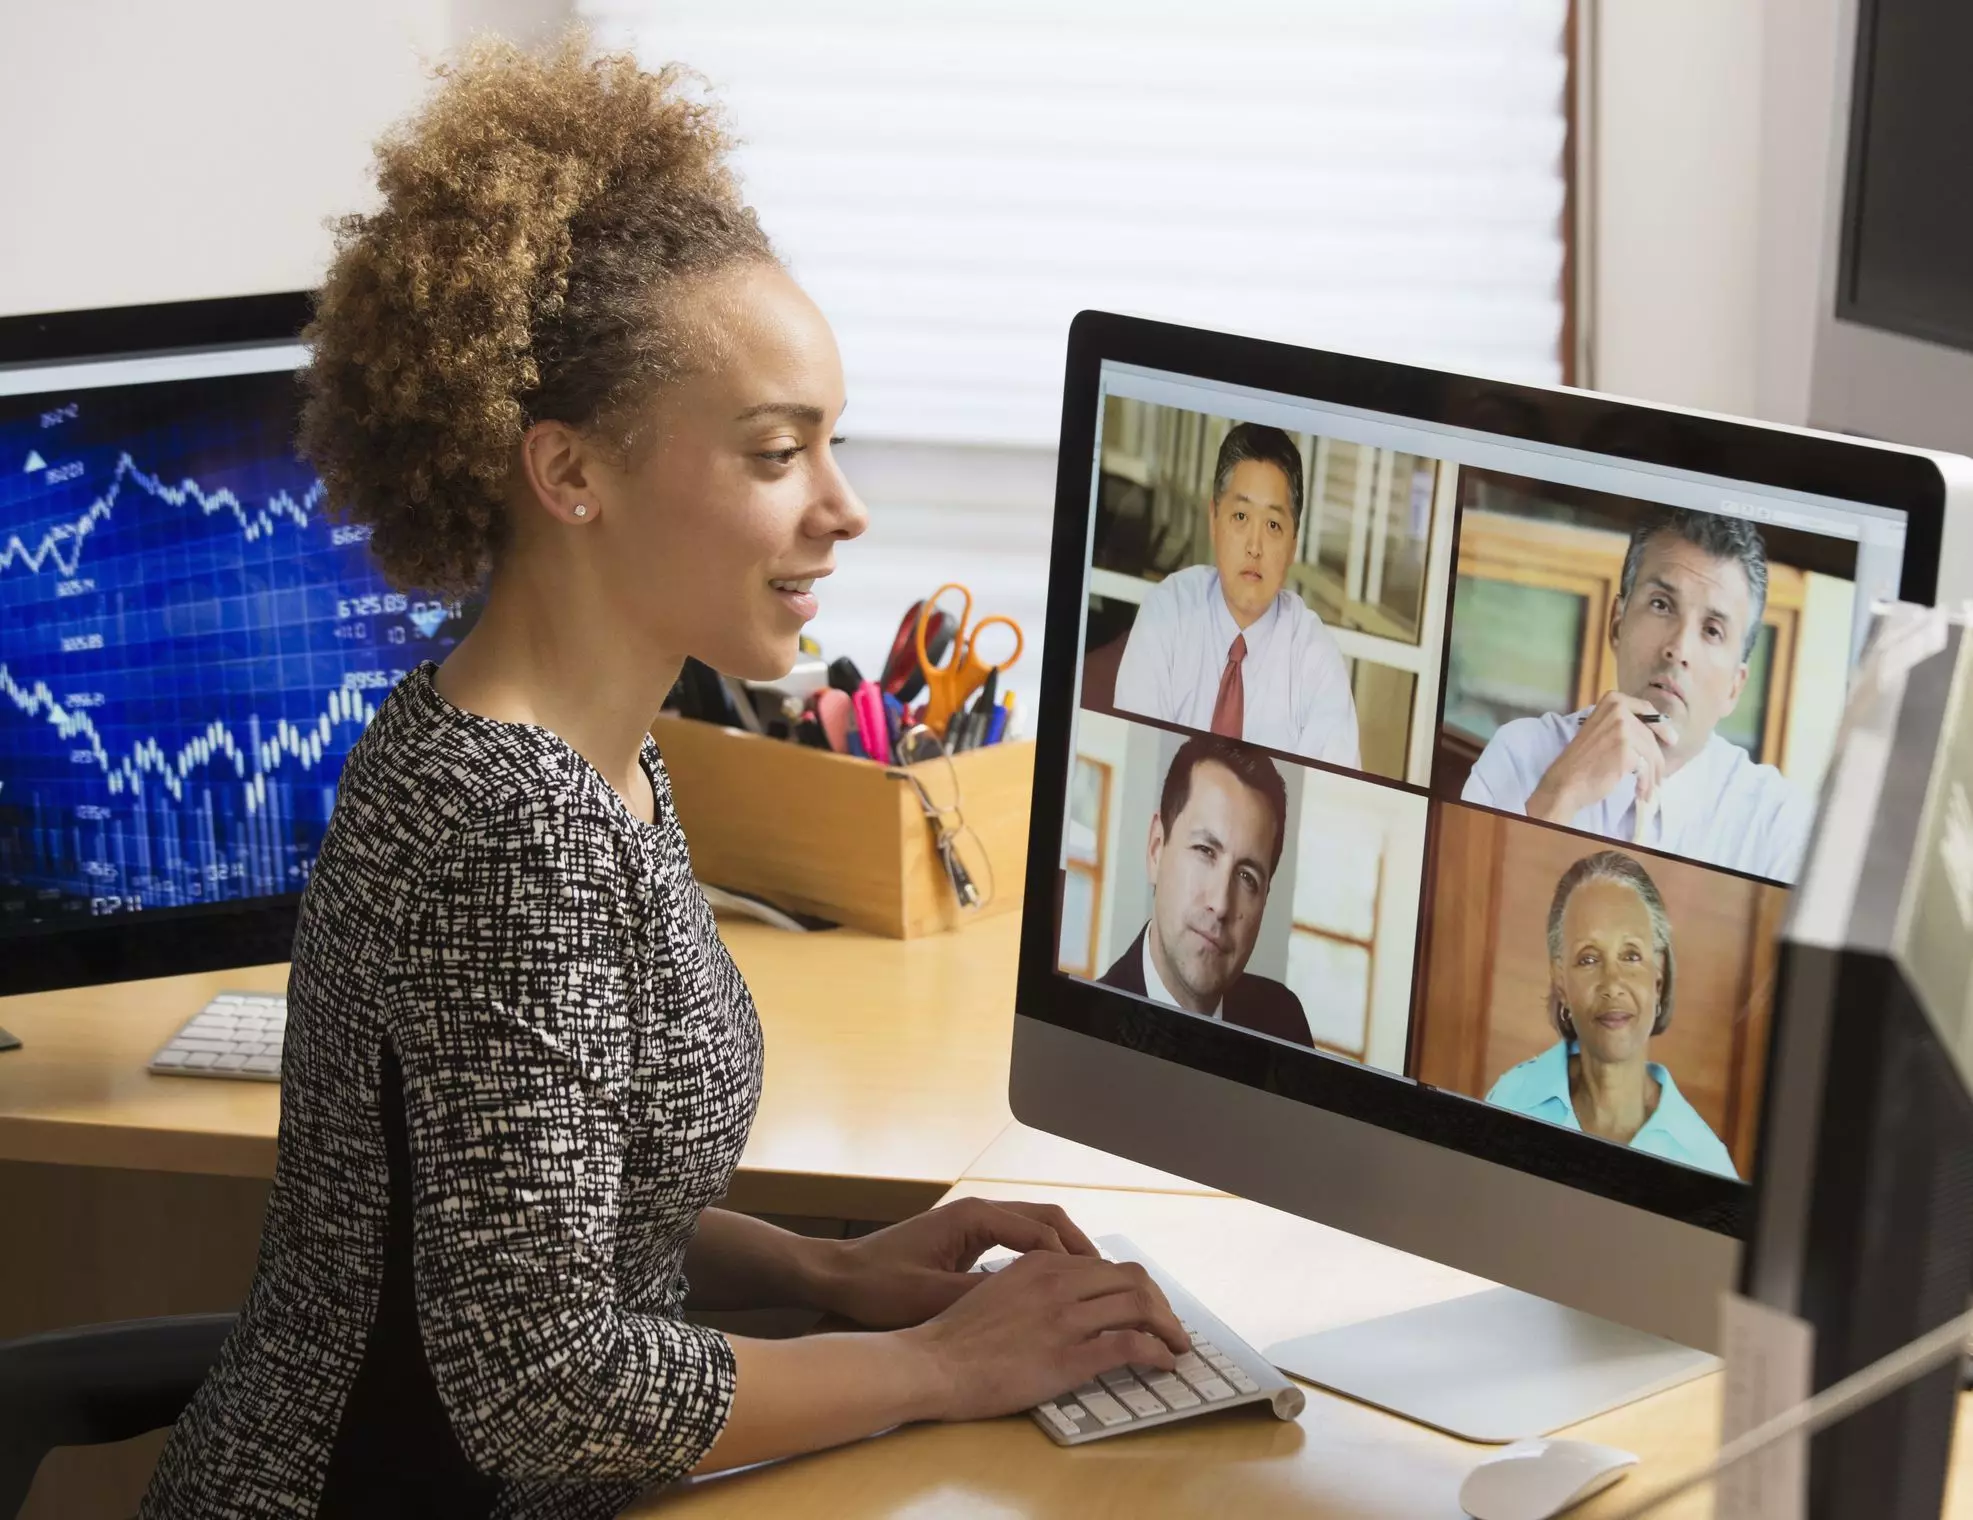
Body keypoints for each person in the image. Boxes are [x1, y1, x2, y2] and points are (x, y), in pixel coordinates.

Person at [141, 38, 1187, 1519]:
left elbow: (552, 1217)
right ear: (571, 475)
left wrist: (833, 1273)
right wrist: (946, 1368)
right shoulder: (517, 834)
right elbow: (543, 1380)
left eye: (833, 442)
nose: (844, 508)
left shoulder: (581, 747)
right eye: (778, 454)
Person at [1461, 507, 1812, 883]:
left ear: (1734, 687)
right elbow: (1461, 918)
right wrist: (1561, 794)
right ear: (1617, 624)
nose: (1678, 648)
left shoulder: (1777, 824)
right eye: (1661, 605)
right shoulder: (1519, 755)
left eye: (1712, 630)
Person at [1112, 423, 1360, 768]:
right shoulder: (1169, 611)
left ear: (1293, 544)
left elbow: (1331, 801)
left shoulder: (1315, 658)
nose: (1254, 547)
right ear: (1214, 519)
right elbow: (1133, 761)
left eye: (1273, 525)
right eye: (1240, 516)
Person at [1486, 851, 1737, 1178]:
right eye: (1589, 959)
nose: (1613, 984)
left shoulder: (1706, 1162)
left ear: (1658, 977)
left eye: (1631, 955)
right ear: (1561, 982)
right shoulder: (1510, 1098)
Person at [1098, 734, 1312, 1045]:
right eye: (1204, 851)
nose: (1221, 903)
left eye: (1247, 876)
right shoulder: (1085, 1024)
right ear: (1156, 848)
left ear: (1265, 899)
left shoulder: (1284, 1022)